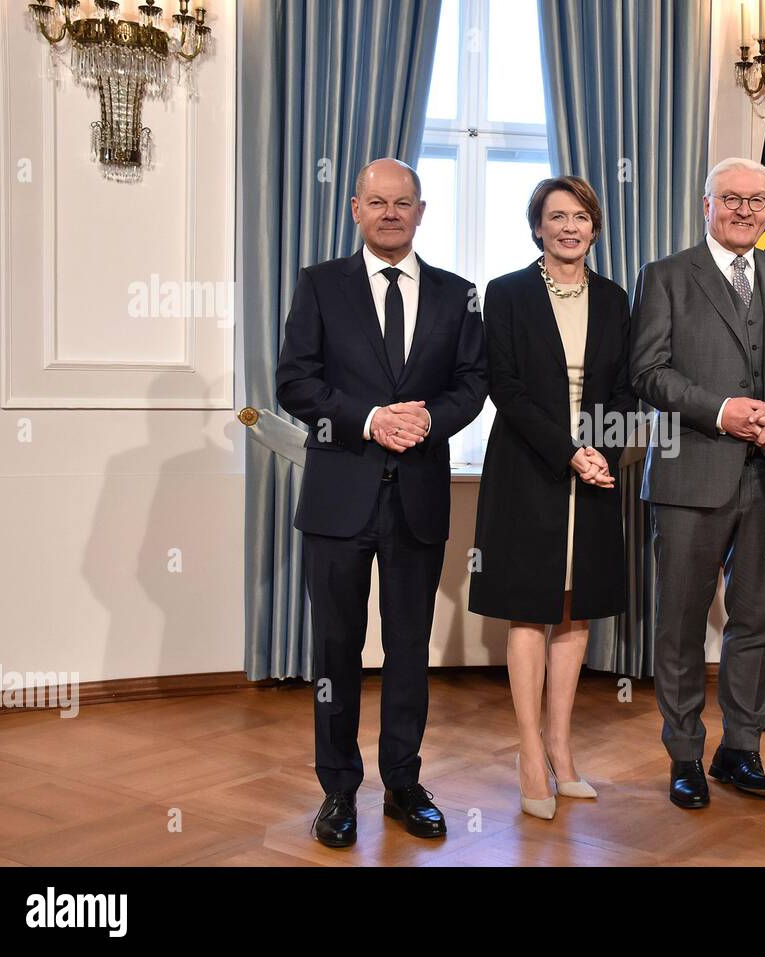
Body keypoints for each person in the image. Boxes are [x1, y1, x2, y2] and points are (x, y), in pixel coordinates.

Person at [276, 158, 487, 847]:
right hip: (340, 497)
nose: (390, 213)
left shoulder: (459, 294)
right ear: (356, 211)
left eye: (403, 203)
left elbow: (472, 383)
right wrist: (370, 419)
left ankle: (403, 780)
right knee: (335, 649)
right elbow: (295, 382)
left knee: (406, 650)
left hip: (417, 501)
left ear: (421, 211)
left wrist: (428, 419)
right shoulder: (320, 285)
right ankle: (338, 790)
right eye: (377, 202)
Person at [631, 157, 765, 809]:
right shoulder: (665, 277)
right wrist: (722, 411)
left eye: (757, 200)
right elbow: (648, 372)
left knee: (755, 620)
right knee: (682, 622)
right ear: (706, 202)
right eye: (732, 198)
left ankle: (739, 747)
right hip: (691, 474)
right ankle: (684, 752)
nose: (745, 210)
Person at [469, 176, 634, 819]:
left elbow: (625, 386)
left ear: (595, 228)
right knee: (529, 608)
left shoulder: (618, 299)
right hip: (528, 464)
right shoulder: (506, 294)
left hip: (596, 467)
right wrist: (567, 450)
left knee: (576, 606)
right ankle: (529, 753)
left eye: (581, 217)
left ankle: (563, 750)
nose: (570, 227)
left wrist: (600, 450)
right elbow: (504, 388)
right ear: (537, 226)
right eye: (557, 216)